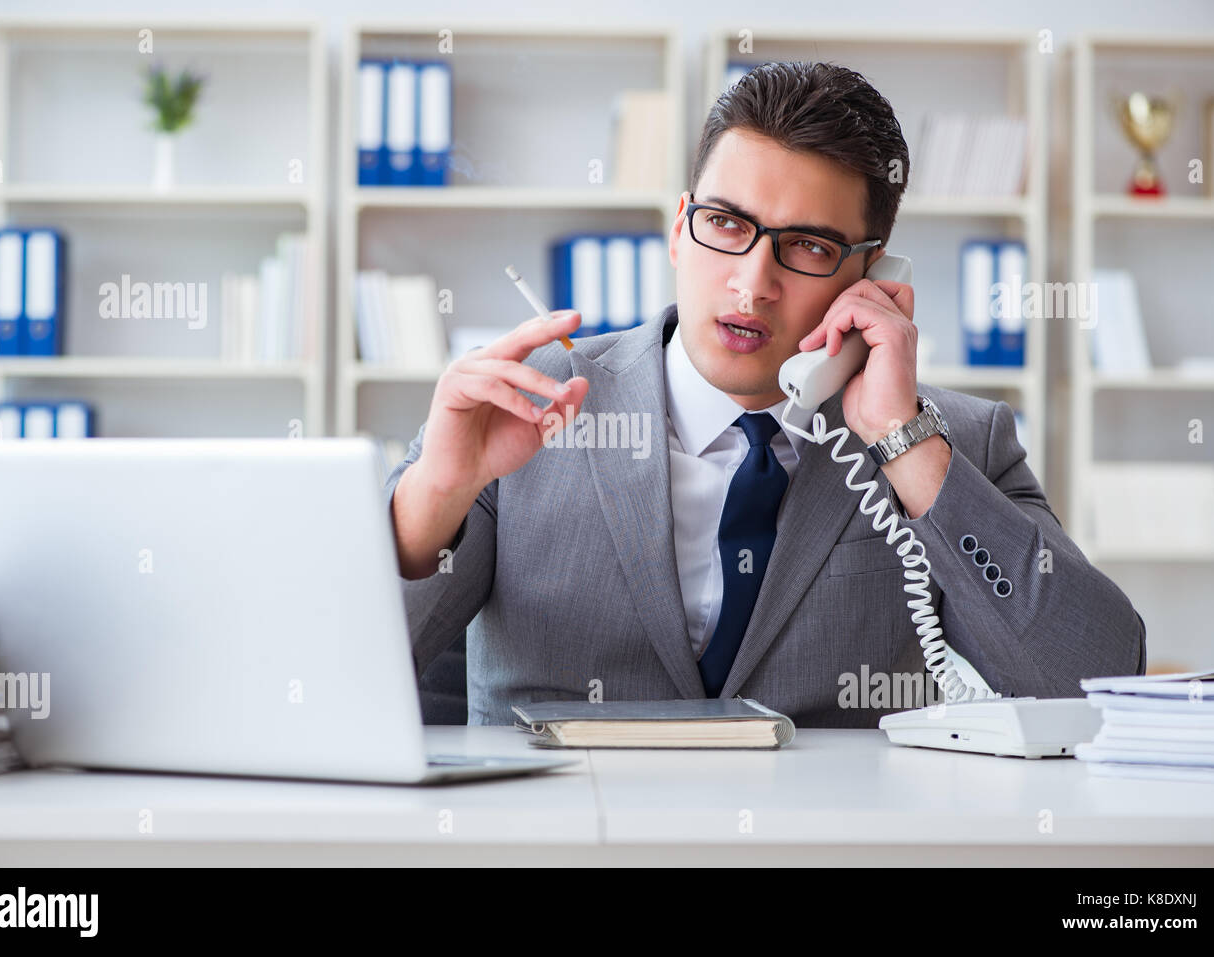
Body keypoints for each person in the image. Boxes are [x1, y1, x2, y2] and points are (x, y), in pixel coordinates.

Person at [385, 61, 1146, 726]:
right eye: (726, 224)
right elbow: (345, 668)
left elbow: (1092, 682)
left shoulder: (956, 439)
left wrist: (904, 444)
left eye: (808, 246)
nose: (753, 282)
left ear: (874, 276)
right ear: (681, 229)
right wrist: (437, 493)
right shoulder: (520, 404)